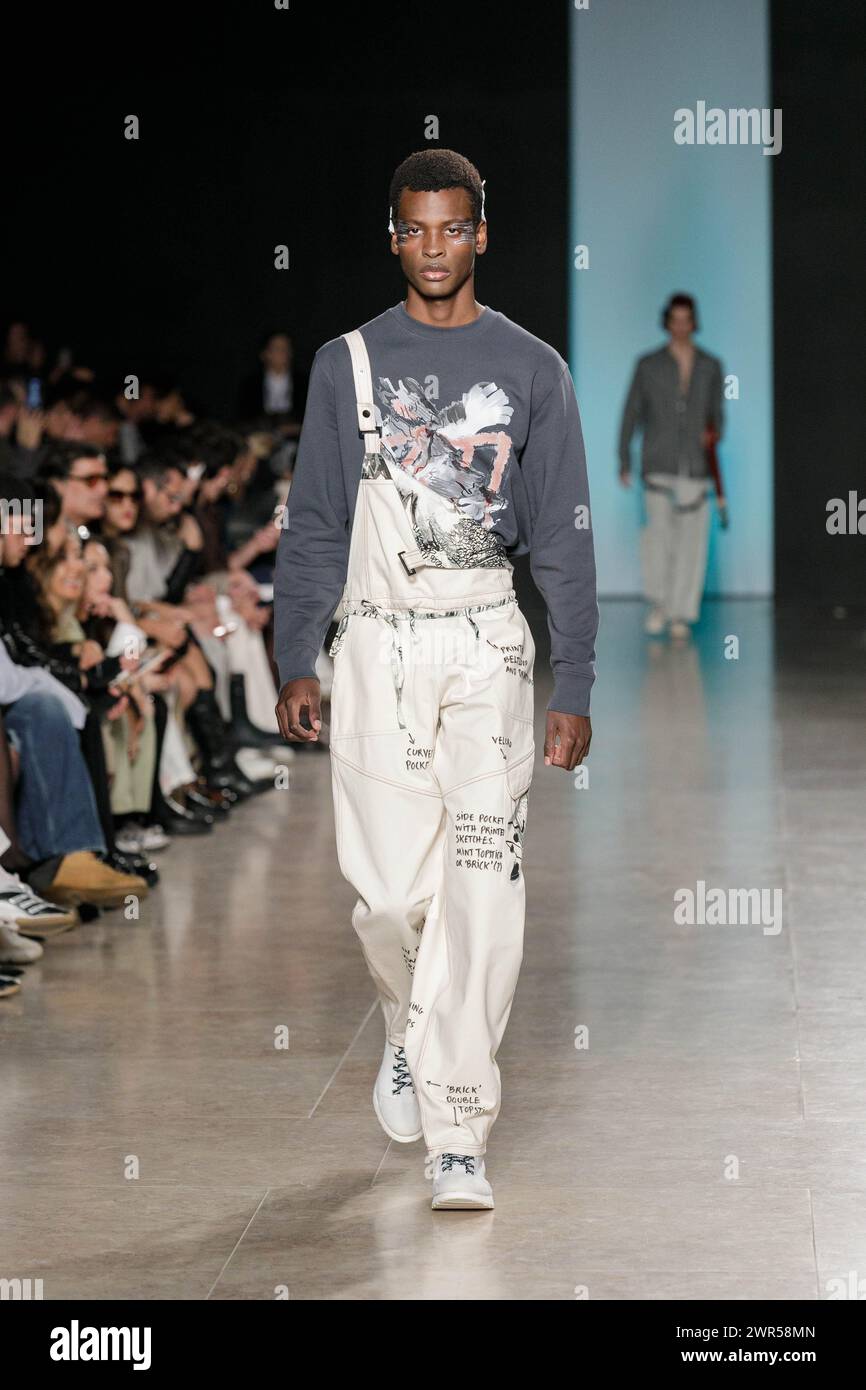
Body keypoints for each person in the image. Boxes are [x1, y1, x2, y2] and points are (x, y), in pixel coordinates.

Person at [274, 148, 598, 1210]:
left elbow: (559, 535)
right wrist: (293, 654)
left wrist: (573, 684)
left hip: (486, 651)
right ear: (393, 233)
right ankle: (411, 1032)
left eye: (450, 229)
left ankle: (459, 1132)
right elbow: (316, 522)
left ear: (480, 233)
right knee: (389, 902)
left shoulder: (534, 369)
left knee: (481, 896)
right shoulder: (346, 365)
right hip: (373, 646)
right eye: (414, 229)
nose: (431, 248)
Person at [618, 292, 725, 639]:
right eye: (675, 319)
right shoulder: (647, 365)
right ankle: (660, 604)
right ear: (667, 322)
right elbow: (631, 412)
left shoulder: (711, 366)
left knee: (692, 543)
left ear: (694, 322)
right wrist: (624, 458)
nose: (681, 326)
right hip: (658, 463)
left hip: (696, 466)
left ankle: (682, 613)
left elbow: (718, 416)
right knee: (658, 539)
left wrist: (714, 434)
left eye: (687, 319)